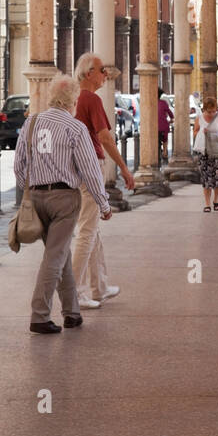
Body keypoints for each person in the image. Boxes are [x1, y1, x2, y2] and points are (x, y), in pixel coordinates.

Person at [14, 74, 112, 335]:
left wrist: (29, 191)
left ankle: (72, 312)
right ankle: (39, 315)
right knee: (55, 256)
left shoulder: (31, 123)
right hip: (64, 199)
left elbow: (18, 164)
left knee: (62, 254)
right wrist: (103, 204)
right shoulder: (75, 127)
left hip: (36, 197)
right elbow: (90, 171)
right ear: (73, 99)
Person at [72, 53, 134, 310]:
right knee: (87, 231)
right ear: (89, 74)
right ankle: (74, 292)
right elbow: (106, 138)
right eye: (101, 70)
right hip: (90, 165)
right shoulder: (91, 99)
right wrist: (124, 168)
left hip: (73, 167)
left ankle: (99, 286)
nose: (106, 75)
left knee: (91, 228)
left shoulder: (72, 98)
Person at [192, 95, 218, 211]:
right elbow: (194, 132)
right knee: (206, 179)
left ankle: (216, 199)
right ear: (204, 109)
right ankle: (207, 204)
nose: (212, 113)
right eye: (209, 111)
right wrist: (201, 133)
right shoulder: (199, 118)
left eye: (214, 111)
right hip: (204, 152)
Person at [158, 89, 174, 161]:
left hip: (154, 127)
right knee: (165, 139)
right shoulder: (163, 103)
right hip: (164, 125)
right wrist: (171, 120)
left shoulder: (150, 103)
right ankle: (165, 152)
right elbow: (170, 114)